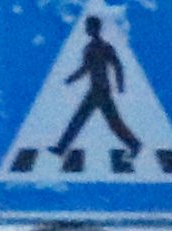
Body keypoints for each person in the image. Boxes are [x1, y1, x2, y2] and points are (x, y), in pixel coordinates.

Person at [52, 16, 139, 157]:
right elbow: (85, 68)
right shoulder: (89, 48)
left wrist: (120, 84)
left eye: (88, 26)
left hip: (102, 91)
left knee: (108, 122)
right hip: (95, 90)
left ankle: (134, 144)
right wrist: (71, 78)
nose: (86, 29)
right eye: (86, 26)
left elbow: (117, 65)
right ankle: (61, 148)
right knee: (85, 120)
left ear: (95, 28)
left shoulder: (105, 47)